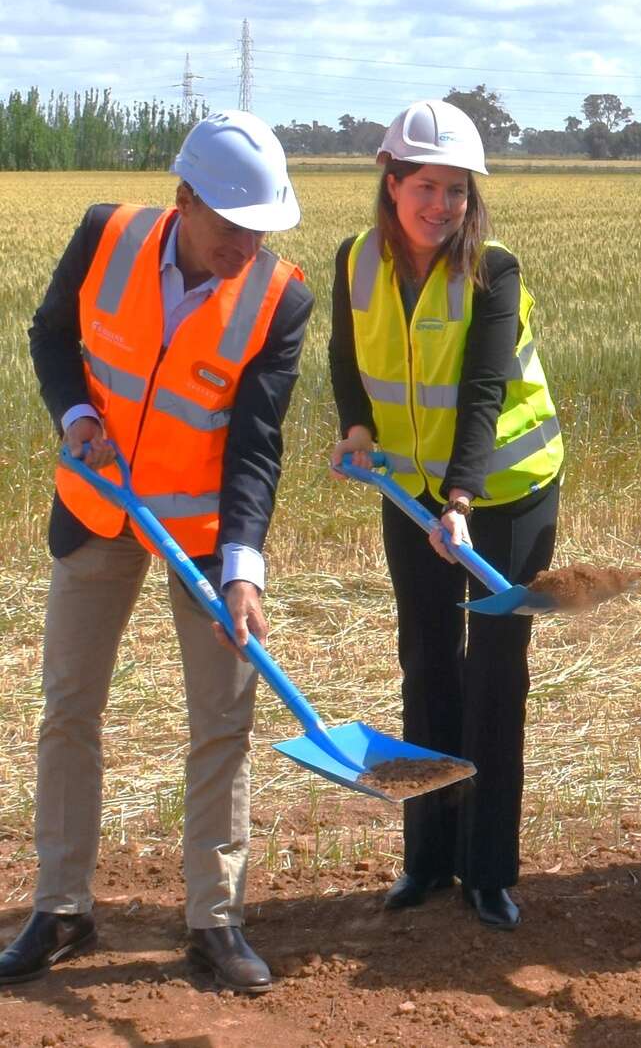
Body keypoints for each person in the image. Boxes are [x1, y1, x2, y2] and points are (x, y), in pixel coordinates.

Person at [3, 111, 310, 992]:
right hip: (99, 507)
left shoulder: (280, 299)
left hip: (205, 536)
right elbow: (50, 335)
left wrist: (243, 567)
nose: (246, 245)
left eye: (261, 229)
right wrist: (77, 417)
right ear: (183, 200)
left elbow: (256, 443)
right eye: (231, 226)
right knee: (69, 708)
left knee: (223, 721)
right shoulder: (107, 232)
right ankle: (61, 907)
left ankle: (215, 922)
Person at [328, 100, 564, 931]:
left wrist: (460, 500)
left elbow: (484, 391)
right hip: (411, 493)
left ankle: (488, 870)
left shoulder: (494, 272)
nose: (441, 205)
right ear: (390, 184)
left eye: (456, 191)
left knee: (495, 680)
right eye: (425, 186)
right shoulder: (354, 260)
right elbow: (346, 355)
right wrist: (356, 426)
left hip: (507, 496)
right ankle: (426, 859)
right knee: (428, 665)